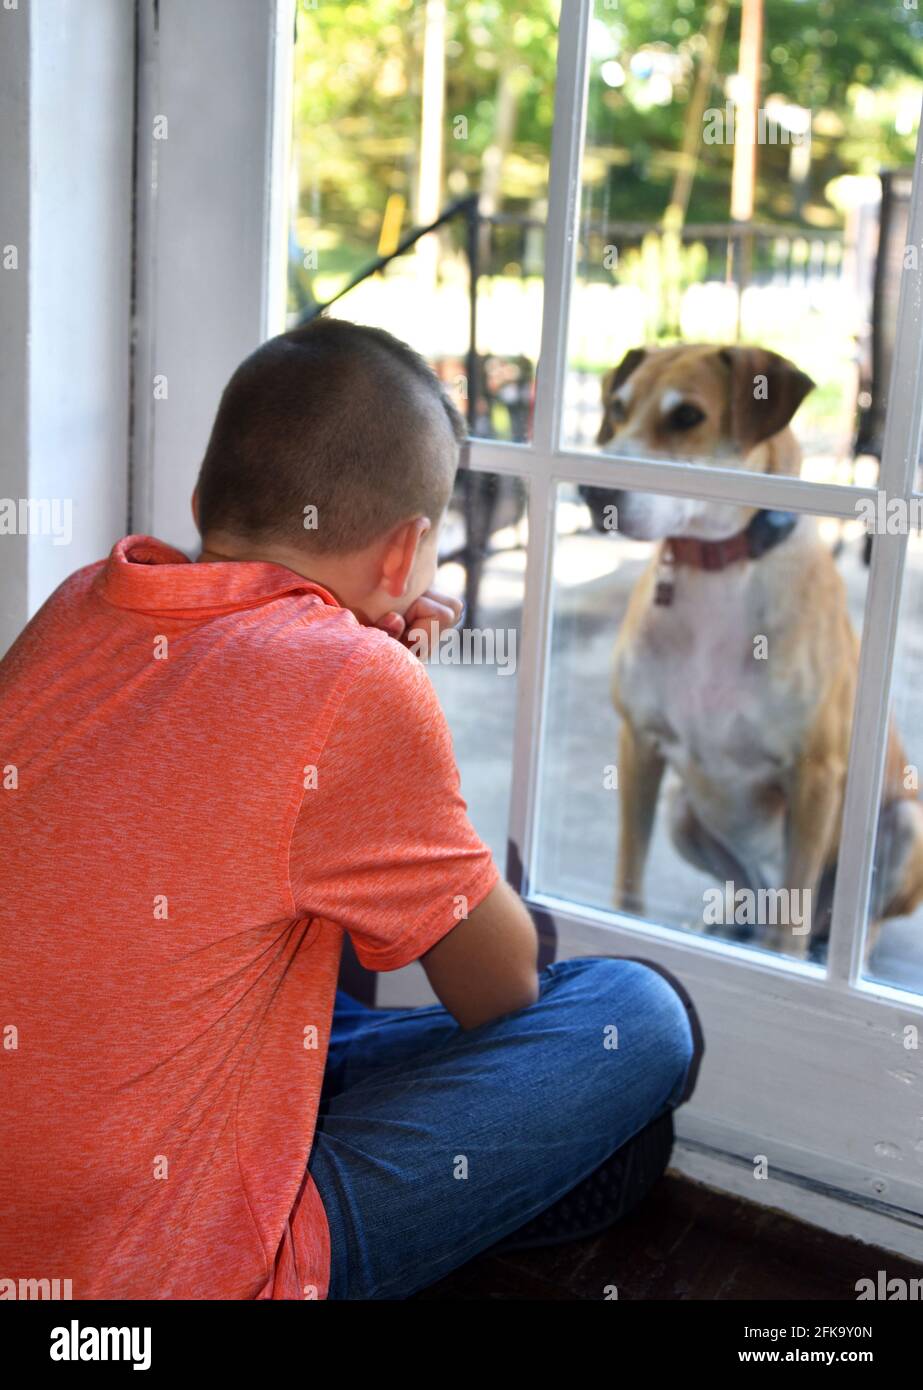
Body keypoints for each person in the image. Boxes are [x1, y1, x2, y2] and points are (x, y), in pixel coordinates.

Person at [0, 316, 701, 1301]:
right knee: (637, 1020)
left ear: (202, 500)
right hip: (162, 1274)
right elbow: (500, 990)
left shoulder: (81, 600)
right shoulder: (350, 681)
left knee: (303, 957)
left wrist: (369, 704)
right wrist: (391, 696)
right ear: (405, 551)